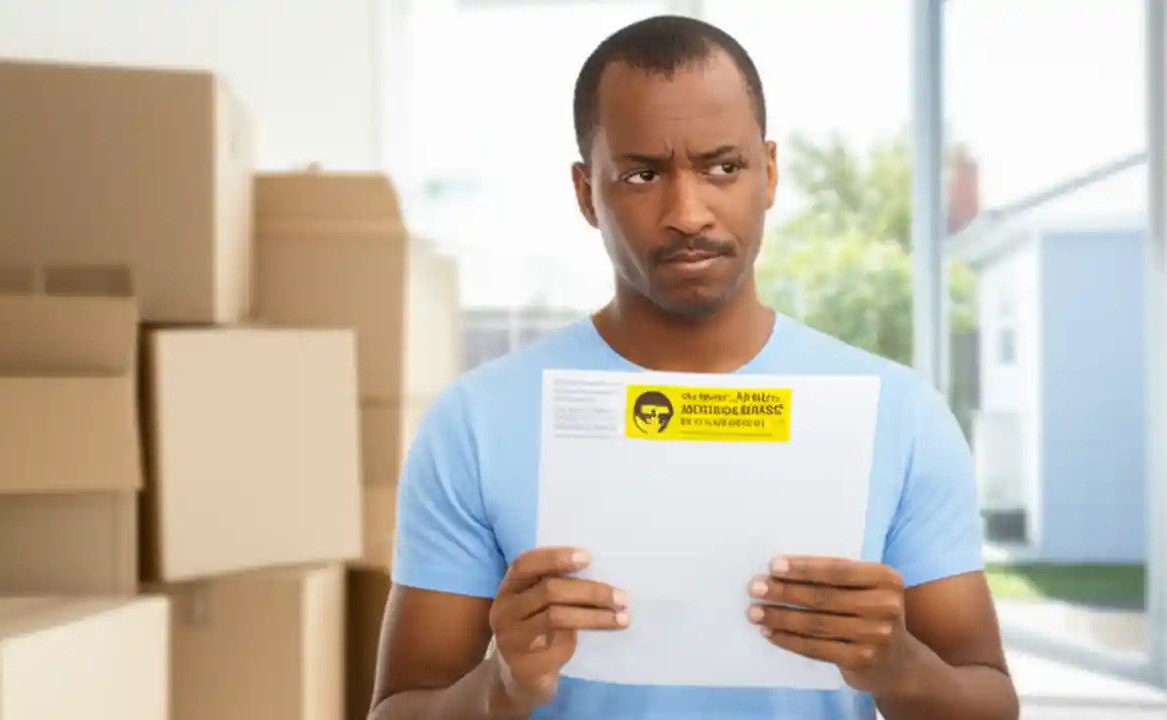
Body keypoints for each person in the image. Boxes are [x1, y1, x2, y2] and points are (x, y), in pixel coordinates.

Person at [368, 14, 1018, 720]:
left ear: (768, 173)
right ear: (588, 193)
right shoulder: (476, 425)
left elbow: (989, 704)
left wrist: (899, 669)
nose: (688, 212)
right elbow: (396, 711)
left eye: (723, 167)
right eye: (642, 174)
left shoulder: (899, 416)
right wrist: (501, 689)